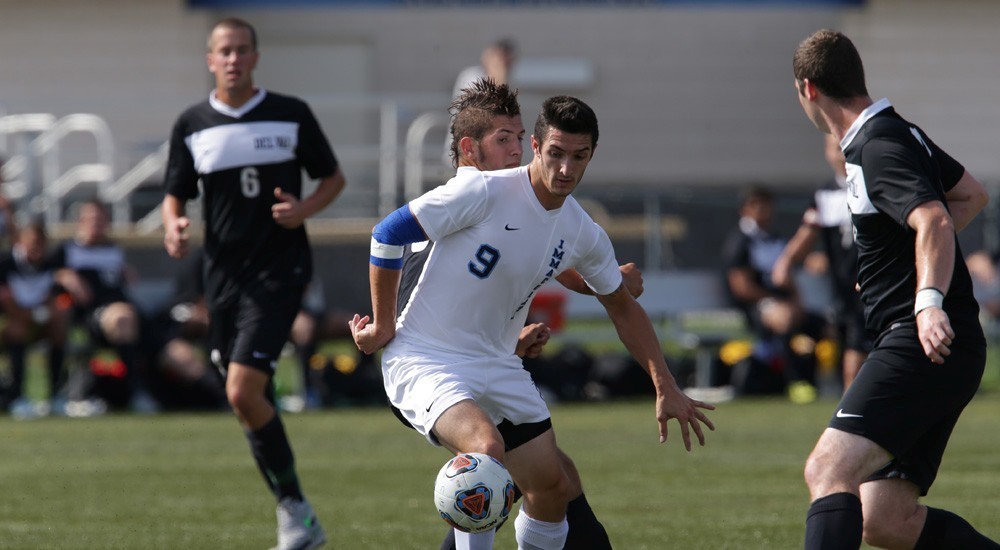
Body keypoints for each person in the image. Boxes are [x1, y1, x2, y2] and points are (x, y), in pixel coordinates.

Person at [351, 93, 714, 550]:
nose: (566, 169)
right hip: (427, 358)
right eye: (556, 154)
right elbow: (386, 233)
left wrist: (665, 385)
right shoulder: (482, 191)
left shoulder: (581, 229)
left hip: (498, 364)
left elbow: (621, 306)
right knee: (485, 452)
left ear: (591, 156)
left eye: (578, 157)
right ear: (538, 146)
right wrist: (384, 326)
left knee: (553, 487)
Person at [400, 78, 642, 550]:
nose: (517, 151)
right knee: (490, 468)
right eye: (504, 139)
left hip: (485, 363)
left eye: (518, 137)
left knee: (552, 479)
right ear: (470, 150)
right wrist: (381, 329)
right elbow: (420, 306)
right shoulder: (466, 199)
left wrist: (603, 280)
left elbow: (545, 257)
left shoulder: (515, 203)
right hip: (434, 368)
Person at [793, 29, 998, 549]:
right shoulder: (896, 132)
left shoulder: (875, 146)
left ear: (808, 89)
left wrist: (927, 302)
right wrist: (900, 267)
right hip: (942, 347)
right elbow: (970, 195)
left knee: (826, 470)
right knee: (885, 520)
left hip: (920, 341)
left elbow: (933, 219)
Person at [160, 17, 345, 550]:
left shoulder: (290, 114)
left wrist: (304, 208)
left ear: (256, 57)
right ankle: (299, 514)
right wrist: (173, 223)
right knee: (243, 399)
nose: (234, 59)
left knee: (244, 389)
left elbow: (333, 177)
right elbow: (176, 191)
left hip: (280, 270)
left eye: (243, 50)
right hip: (222, 279)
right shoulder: (192, 123)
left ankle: (296, 513)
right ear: (210, 60)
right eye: (225, 50)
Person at [772, 134, 871, 392]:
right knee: (852, 343)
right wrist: (786, 262)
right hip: (843, 287)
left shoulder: (872, 184)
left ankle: (856, 408)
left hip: (873, 281)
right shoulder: (826, 194)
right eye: (834, 148)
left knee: (859, 346)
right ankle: (855, 406)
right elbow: (807, 233)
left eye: (844, 147)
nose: (840, 154)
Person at [52, 199, 157, 413]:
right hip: (91, 317)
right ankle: (136, 391)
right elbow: (46, 276)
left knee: (156, 337)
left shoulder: (113, 250)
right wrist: (64, 276)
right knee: (123, 318)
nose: (97, 224)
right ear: (80, 222)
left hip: (124, 311)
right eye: (92, 219)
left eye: (101, 220)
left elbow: (121, 281)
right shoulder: (68, 250)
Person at [721, 184, 824, 401]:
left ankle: (818, 380)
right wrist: (774, 300)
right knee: (784, 321)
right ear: (745, 210)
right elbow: (741, 287)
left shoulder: (776, 238)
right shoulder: (740, 241)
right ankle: (795, 382)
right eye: (757, 206)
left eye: (767, 205)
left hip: (782, 303)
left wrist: (796, 301)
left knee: (822, 325)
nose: (764, 211)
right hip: (756, 306)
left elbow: (787, 276)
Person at [0, 222, 73, 417]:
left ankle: (56, 394)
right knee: (17, 329)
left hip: (39, 322)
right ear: (19, 243)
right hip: (10, 325)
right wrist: (35, 314)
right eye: (31, 243)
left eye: (40, 244)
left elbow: (63, 300)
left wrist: (52, 309)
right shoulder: (5, 265)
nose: (35, 249)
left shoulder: (52, 265)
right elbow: (8, 303)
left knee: (60, 327)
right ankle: (17, 395)